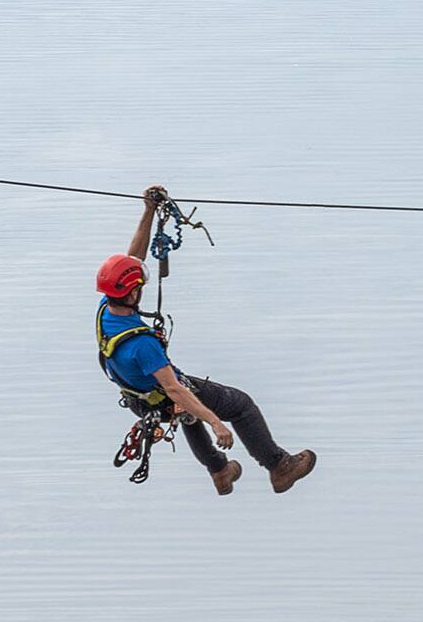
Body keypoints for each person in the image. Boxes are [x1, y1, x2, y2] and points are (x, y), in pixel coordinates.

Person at [97, 185, 317, 496]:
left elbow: (134, 258)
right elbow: (174, 389)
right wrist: (216, 423)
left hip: (138, 399)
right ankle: (279, 466)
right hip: (160, 394)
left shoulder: (106, 310)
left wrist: (148, 211)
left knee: (186, 411)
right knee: (238, 405)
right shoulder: (142, 345)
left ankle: (219, 471)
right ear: (133, 293)